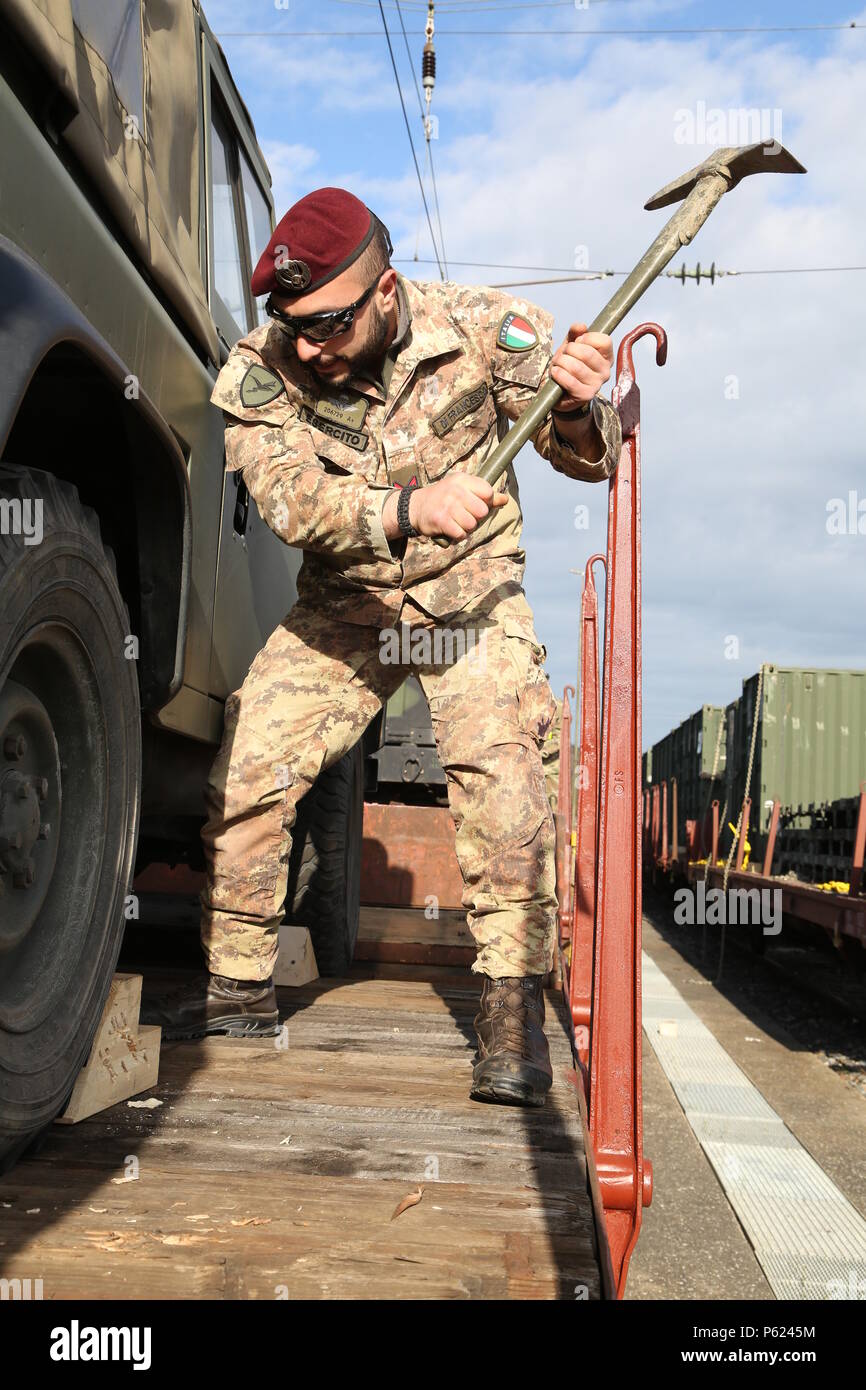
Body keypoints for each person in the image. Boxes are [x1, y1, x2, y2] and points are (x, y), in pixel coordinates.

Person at [143, 188, 620, 1107]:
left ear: (386, 292)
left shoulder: (490, 329)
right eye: (292, 323)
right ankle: (238, 986)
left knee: (507, 776)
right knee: (249, 761)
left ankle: (510, 1015)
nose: (309, 345)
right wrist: (406, 510)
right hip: (349, 602)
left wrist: (571, 406)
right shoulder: (263, 367)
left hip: (469, 597)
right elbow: (288, 503)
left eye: (327, 323)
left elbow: (586, 457)